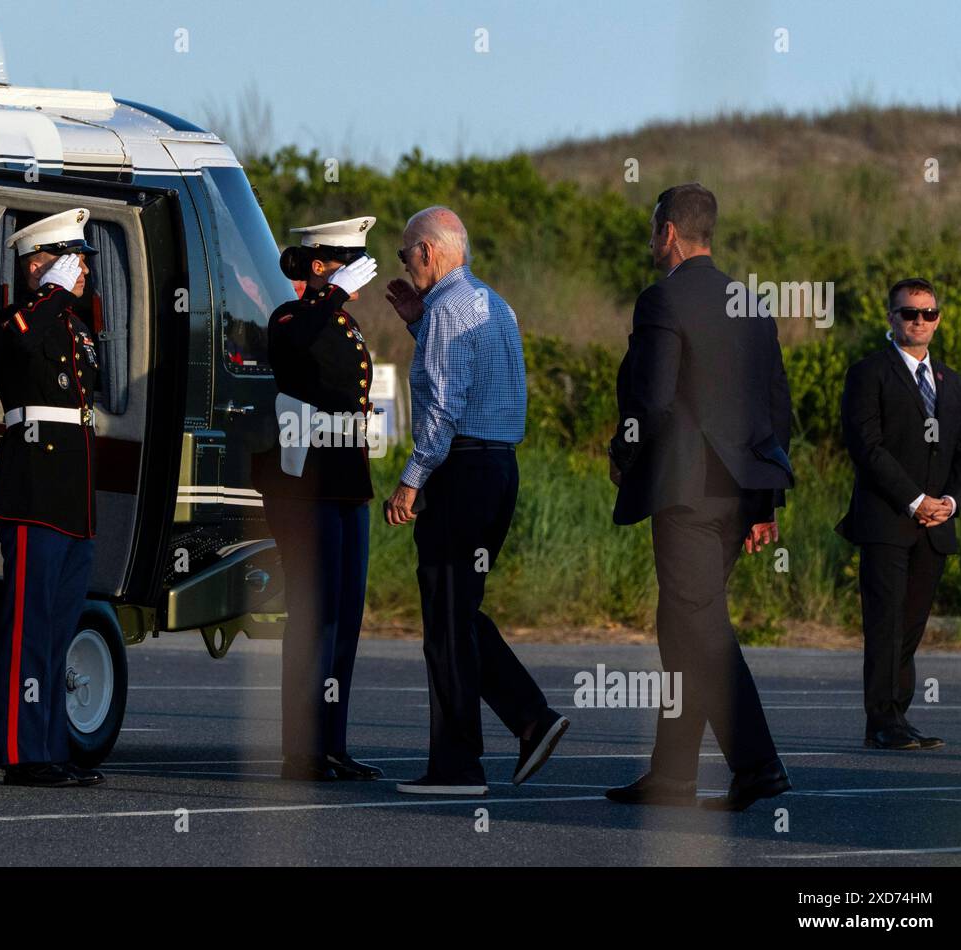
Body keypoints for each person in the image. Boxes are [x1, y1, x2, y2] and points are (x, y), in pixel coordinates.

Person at [605, 183, 794, 812]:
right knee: (682, 631)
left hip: (686, 495)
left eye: (653, 229)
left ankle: (759, 766)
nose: (650, 240)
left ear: (669, 233)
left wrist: (623, 457)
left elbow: (651, 401)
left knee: (701, 630)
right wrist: (764, 506)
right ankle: (673, 777)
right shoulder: (753, 302)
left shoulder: (661, 300)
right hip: (739, 495)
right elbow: (775, 409)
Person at [383, 206, 569, 796]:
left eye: (406, 252)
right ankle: (531, 718)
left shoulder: (446, 309)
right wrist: (418, 323)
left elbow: (443, 407)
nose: (403, 263)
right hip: (497, 468)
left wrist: (412, 480)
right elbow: (480, 382)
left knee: (444, 617)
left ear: (430, 252)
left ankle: (458, 766)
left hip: (460, 469)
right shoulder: (492, 302)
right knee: (458, 610)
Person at [252, 217, 383, 782]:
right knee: (314, 613)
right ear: (316, 265)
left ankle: (331, 743)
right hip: (307, 482)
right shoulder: (292, 317)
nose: (351, 276)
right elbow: (298, 340)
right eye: (340, 264)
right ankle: (300, 750)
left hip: (347, 478)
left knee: (345, 614)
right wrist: (327, 294)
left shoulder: (341, 322)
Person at [0, 208, 105, 787]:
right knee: (28, 628)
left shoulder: (76, 327)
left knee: (58, 631)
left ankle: (52, 748)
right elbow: (23, 357)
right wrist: (52, 293)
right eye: (71, 259)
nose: (83, 271)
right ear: (39, 262)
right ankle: (22, 753)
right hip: (33, 493)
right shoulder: (14, 321)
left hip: (71, 498)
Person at [837, 278, 961, 750]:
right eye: (908, 313)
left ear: (938, 320)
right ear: (890, 318)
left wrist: (949, 503)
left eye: (928, 313)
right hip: (886, 521)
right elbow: (867, 447)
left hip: (935, 527)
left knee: (911, 625)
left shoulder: (952, 383)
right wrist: (915, 500)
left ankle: (898, 715)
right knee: (885, 624)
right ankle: (881, 721)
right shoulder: (868, 373)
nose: (919, 320)